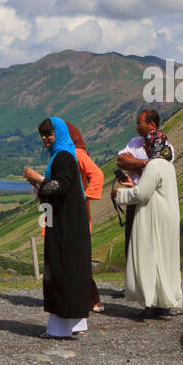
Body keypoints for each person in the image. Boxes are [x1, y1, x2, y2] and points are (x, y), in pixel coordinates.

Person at [23, 118, 94, 339]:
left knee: (61, 269)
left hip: (65, 224)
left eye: (49, 134)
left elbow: (60, 186)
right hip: (70, 222)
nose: (45, 138)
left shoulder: (62, 157)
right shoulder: (65, 154)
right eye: (42, 134)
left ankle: (59, 327)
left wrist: (38, 180)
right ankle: (76, 322)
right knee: (73, 269)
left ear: (59, 134)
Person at [113, 130, 182, 320]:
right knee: (163, 257)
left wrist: (120, 195)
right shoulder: (167, 165)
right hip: (167, 216)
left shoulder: (153, 166)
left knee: (149, 256)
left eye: (146, 145)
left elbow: (142, 195)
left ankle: (150, 301)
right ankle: (163, 301)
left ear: (153, 145)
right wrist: (131, 186)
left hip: (154, 217)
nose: (144, 147)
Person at [117, 109, 177, 256]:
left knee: (148, 242)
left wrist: (136, 163)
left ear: (151, 124)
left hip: (152, 201)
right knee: (131, 238)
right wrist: (145, 163)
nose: (136, 127)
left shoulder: (166, 148)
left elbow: (156, 171)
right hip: (133, 197)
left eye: (139, 124)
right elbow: (121, 161)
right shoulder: (134, 142)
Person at [66, 122, 105, 313]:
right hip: (71, 214)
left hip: (77, 216)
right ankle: (85, 298)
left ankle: (92, 299)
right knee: (73, 258)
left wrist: (82, 199)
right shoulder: (67, 153)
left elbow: (97, 175)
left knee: (77, 258)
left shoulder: (77, 154)